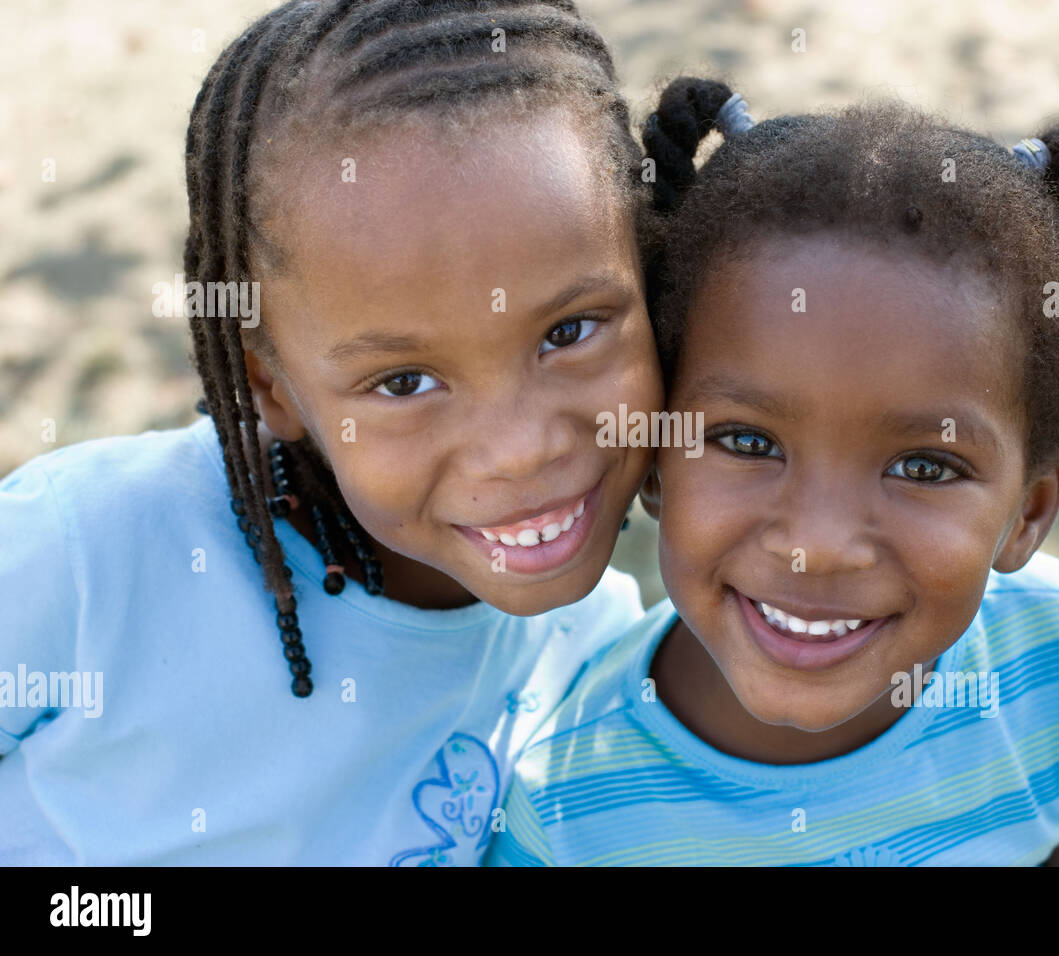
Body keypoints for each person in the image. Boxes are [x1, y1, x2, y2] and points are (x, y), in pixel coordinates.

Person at [0, 0, 662, 866]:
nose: (521, 448)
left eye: (569, 332)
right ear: (270, 385)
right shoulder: (85, 553)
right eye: (403, 382)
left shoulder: (595, 662)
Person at [487, 78, 1059, 866]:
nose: (820, 542)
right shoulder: (564, 806)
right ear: (654, 460)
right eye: (747, 443)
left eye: (924, 465)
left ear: (1030, 510)